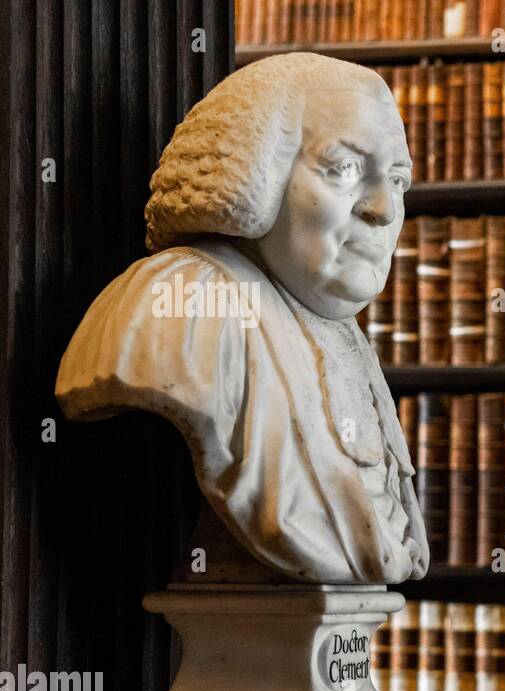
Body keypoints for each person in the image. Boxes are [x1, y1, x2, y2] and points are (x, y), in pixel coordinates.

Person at [56, 53, 428, 585]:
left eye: (397, 180)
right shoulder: (183, 303)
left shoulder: (343, 339)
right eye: (344, 168)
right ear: (257, 175)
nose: (383, 209)